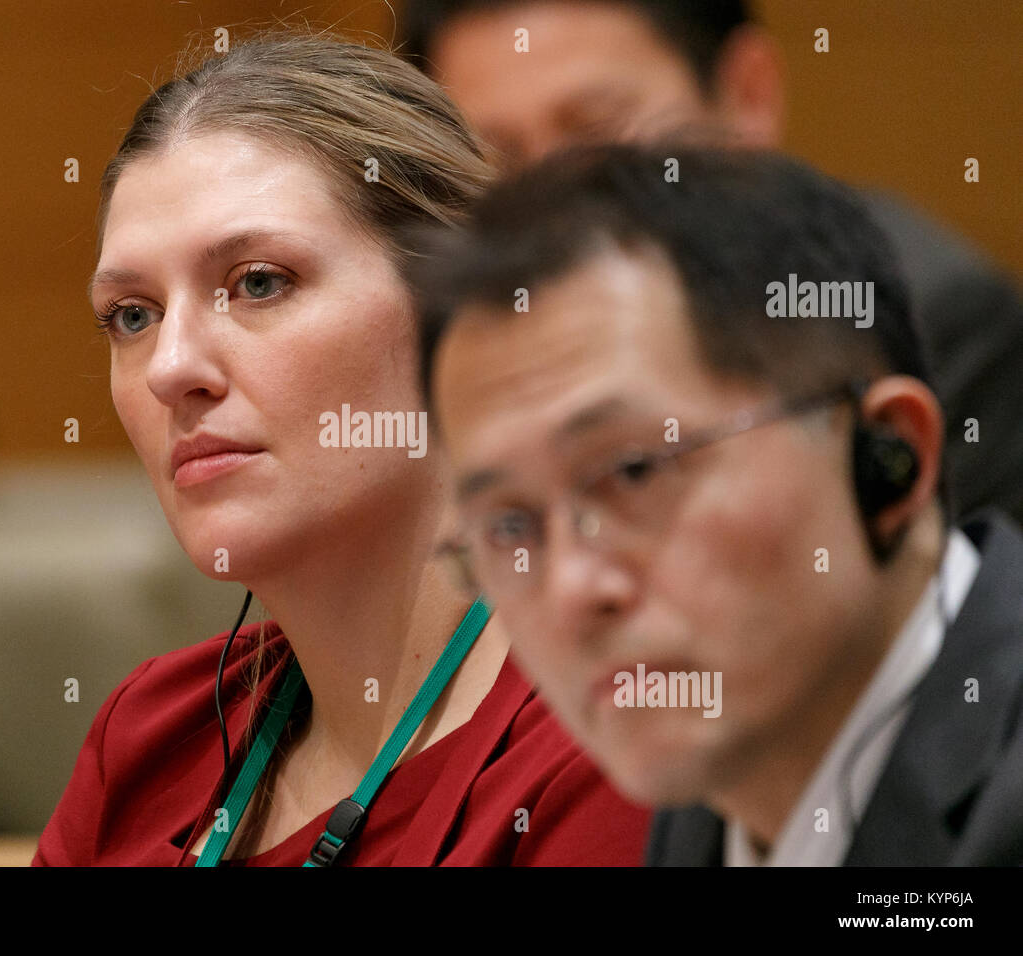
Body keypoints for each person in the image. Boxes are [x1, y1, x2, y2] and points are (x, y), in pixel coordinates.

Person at [31, 31, 650, 867]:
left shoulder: (612, 746)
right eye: (132, 315)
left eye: (257, 282)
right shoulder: (146, 738)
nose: (171, 368)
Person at [410, 143, 1023, 865]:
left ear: (891, 458)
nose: (573, 591)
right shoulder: (706, 815)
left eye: (634, 471)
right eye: (509, 525)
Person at [398, 0, 1023, 526]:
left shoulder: (931, 313)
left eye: (594, 127)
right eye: (499, 156)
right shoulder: (457, 339)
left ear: (747, 94)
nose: (552, 197)